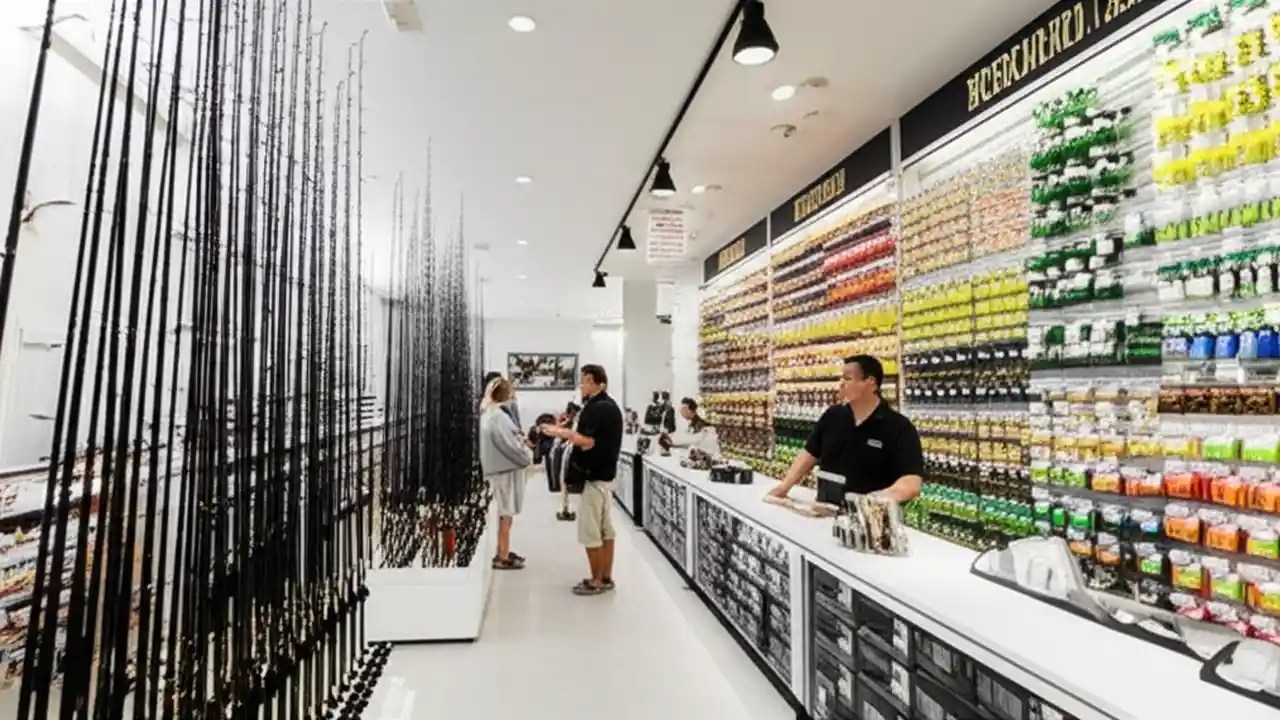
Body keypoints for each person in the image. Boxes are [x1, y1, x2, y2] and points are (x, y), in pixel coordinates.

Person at [767, 355, 923, 505]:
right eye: (841, 378)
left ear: (871, 383)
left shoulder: (899, 427)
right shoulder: (832, 416)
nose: (841, 384)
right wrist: (784, 487)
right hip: (824, 511)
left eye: (848, 379)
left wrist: (873, 501)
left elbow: (911, 482)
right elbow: (809, 454)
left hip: (867, 519)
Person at [540, 364, 622, 596]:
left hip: (593, 478)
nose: (581, 385)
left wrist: (561, 433)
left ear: (597, 383)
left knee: (591, 531)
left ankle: (596, 580)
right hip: (603, 477)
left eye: (585, 381)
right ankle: (605, 577)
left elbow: (588, 441)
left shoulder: (599, 408)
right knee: (605, 530)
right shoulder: (605, 406)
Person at [479, 377, 533, 569]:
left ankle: (503, 550)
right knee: (506, 513)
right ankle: (502, 556)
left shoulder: (490, 413)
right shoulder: (497, 417)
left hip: (501, 469)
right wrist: (526, 456)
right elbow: (508, 444)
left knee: (505, 512)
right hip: (504, 471)